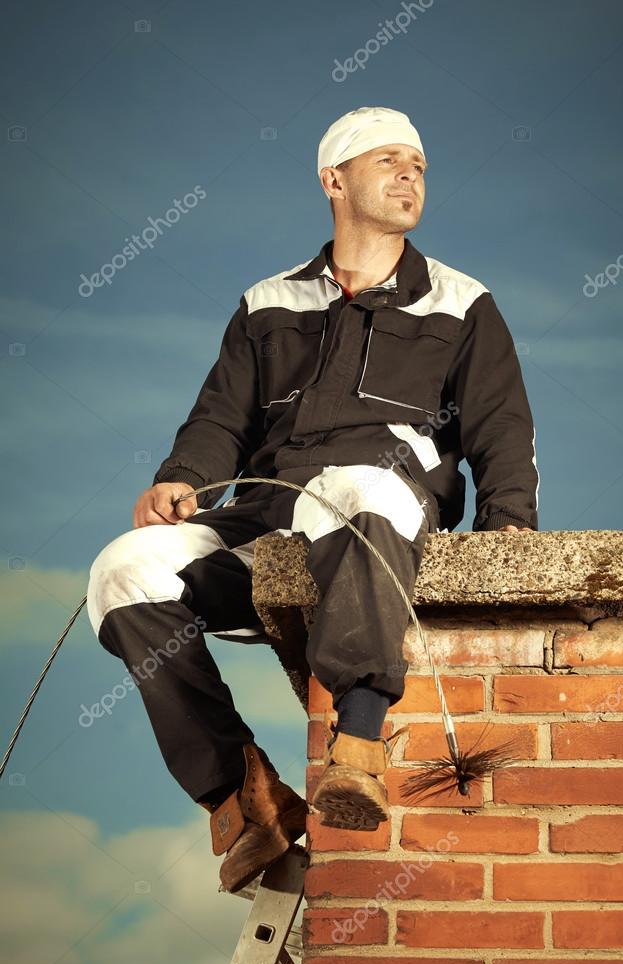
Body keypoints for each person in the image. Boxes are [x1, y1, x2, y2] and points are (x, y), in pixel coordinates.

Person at [86, 106, 539, 893]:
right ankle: (244, 797)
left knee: (356, 482)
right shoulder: (268, 302)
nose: (410, 174)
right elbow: (221, 417)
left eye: (419, 165)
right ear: (334, 179)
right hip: (272, 514)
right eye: (388, 160)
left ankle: (357, 745)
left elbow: (502, 427)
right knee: (121, 571)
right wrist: (181, 475)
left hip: (380, 513)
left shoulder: (463, 303)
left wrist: (509, 532)